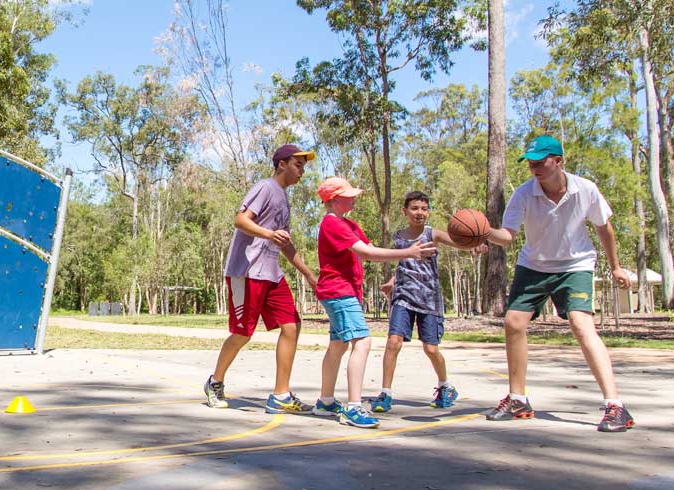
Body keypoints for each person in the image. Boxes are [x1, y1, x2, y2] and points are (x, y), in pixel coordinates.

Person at [483, 135, 636, 433]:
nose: (534, 168)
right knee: (513, 322)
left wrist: (616, 267)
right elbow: (508, 235)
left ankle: (615, 405)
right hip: (534, 264)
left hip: (575, 264)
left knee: (581, 325)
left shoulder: (585, 189)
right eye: (530, 163)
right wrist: (483, 233)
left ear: (558, 161)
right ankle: (517, 399)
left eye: (540, 162)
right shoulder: (525, 194)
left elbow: (604, 229)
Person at [204, 144, 320, 414]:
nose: (302, 171)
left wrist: (310, 275)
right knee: (243, 332)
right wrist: (269, 234)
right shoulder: (265, 188)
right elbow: (241, 220)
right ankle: (215, 382)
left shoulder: (284, 199)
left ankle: (280, 395)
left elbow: (286, 245)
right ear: (282, 164)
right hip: (247, 271)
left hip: (272, 273)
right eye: (298, 165)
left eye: (303, 166)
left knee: (291, 326)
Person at [312, 177, 436, 428]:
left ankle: (325, 401)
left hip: (343, 290)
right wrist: (409, 253)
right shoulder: (332, 224)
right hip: (339, 291)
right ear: (335, 199)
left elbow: (371, 248)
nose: (354, 197)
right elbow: (366, 253)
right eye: (349, 194)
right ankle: (353, 408)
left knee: (338, 344)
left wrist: (405, 253)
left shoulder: (347, 223)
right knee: (363, 341)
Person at [372, 191, 486, 414]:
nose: (420, 213)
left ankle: (446, 387)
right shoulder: (399, 237)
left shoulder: (433, 234)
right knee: (393, 343)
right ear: (405, 212)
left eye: (424, 209)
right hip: (404, 296)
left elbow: (460, 242)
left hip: (429, 298)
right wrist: (392, 282)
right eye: (415, 208)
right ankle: (385, 393)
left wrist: (475, 244)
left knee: (431, 349)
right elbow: (404, 264)